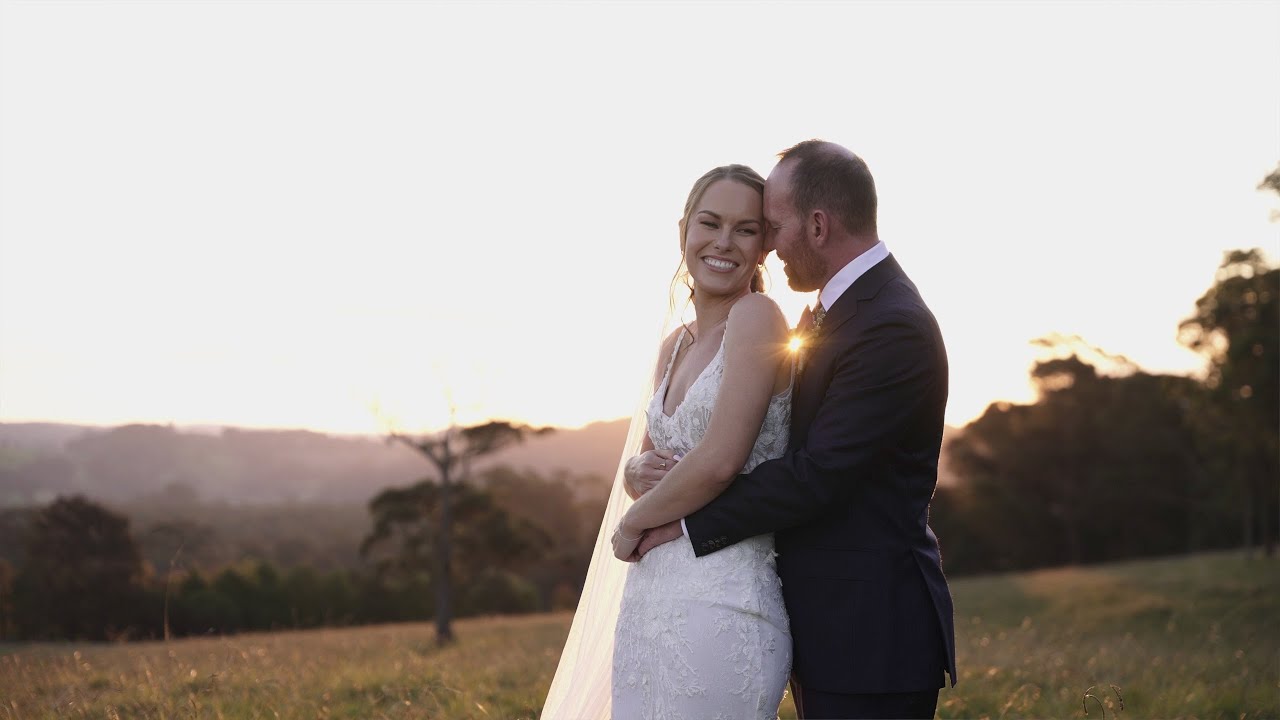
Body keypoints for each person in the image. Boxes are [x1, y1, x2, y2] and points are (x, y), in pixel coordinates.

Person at [627, 140, 957, 720]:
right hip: (823, 624)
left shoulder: (891, 324)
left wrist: (680, 521)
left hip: (871, 633)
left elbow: (817, 474)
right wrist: (641, 473)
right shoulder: (839, 312)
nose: (771, 246)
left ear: (819, 225)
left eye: (768, 228)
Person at [541, 164, 795, 719]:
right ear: (683, 229)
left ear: (765, 246)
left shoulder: (757, 317)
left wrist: (631, 524)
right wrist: (634, 471)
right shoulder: (673, 348)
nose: (723, 242)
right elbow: (657, 466)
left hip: (722, 602)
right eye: (709, 223)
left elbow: (720, 460)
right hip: (649, 601)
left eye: (746, 229)